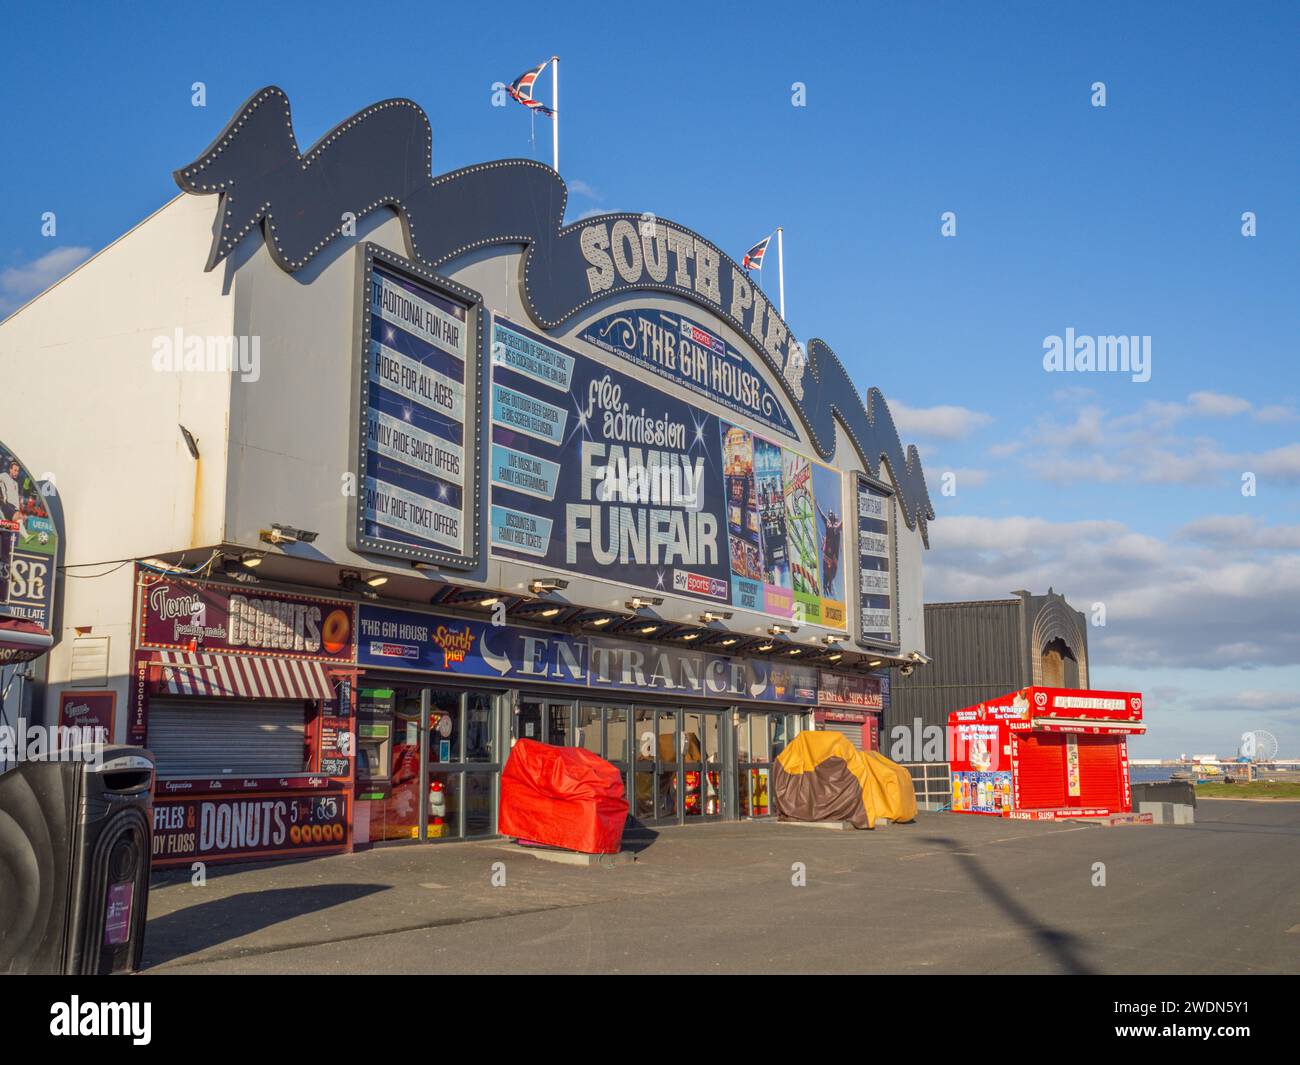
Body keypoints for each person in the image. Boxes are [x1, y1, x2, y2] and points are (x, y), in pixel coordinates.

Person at [816, 502, 843, 591]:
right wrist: (817, 504)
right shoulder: (827, 522)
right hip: (828, 546)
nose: (831, 516)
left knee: (832, 566)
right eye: (830, 514)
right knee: (826, 568)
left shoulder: (836, 527)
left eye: (832, 515)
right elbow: (821, 514)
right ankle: (826, 584)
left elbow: (840, 525)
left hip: (832, 548)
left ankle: (829, 585)